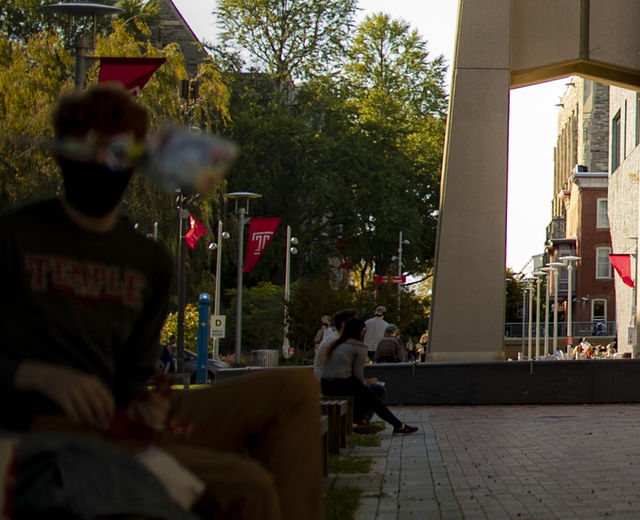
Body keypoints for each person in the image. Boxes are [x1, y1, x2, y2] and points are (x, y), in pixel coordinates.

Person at [0, 84, 322, 519]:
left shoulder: (148, 262)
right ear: (62, 154)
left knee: (295, 388)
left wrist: (144, 403)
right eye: (88, 149)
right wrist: (35, 375)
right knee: (248, 486)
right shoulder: (15, 238)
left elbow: (132, 373)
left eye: (117, 151)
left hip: (117, 418)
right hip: (40, 422)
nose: (102, 163)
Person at [317, 313, 417, 435]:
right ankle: (395, 425)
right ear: (360, 331)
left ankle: (362, 421)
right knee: (375, 394)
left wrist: (366, 383)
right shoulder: (359, 347)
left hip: (326, 385)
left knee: (367, 392)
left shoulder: (337, 344)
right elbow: (358, 376)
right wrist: (368, 382)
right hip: (341, 384)